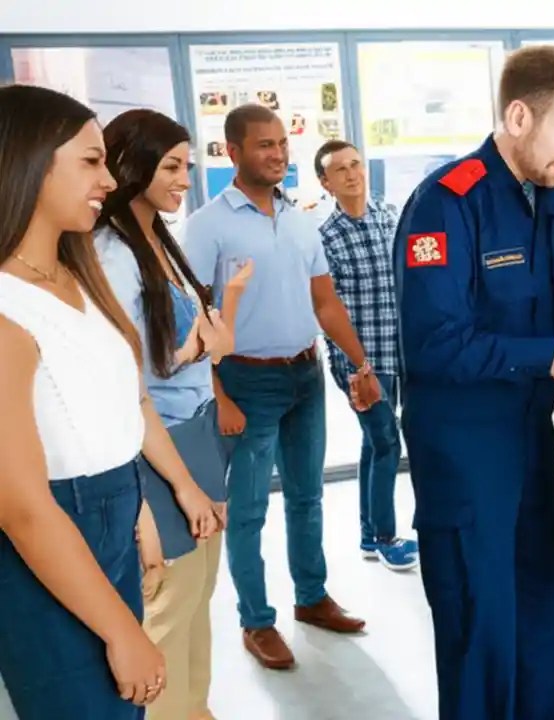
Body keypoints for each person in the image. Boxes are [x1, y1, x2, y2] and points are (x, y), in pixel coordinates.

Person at [393, 45, 554, 720]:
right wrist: (552, 357)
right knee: (482, 626)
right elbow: (434, 343)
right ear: (517, 117)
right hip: (464, 451)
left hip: (532, 441)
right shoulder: (447, 205)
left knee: (539, 614)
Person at [0, 84, 216, 719]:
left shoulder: (77, 273)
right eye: (90, 162)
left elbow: (125, 404)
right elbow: (22, 506)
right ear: (29, 162)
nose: (108, 179)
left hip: (110, 514)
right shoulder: (9, 308)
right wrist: (123, 632)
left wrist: (140, 510)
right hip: (53, 535)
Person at [182, 103, 377, 671]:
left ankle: (311, 597)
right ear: (233, 152)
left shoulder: (300, 219)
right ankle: (256, 620)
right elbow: (195, 314)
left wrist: (360, 364)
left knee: (307, 496)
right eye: (263, 145)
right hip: (244, 380)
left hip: (305, 373)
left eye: (282, 145)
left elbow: (325, 301)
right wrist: (217, 394)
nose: (276, 154)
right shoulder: (208, 224)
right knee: (246, 511)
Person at [94, 108, 250, 720]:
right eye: (172, 166)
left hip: (197, 437)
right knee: (169, 605)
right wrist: (194, 348)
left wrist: (205, 342)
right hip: (155, 450)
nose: (185, 178)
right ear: (131, 165)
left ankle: (195, 709)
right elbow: (119, 378)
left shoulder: (156, 237)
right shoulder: (110, 253)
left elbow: (165, 353)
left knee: (200, 595)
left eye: (187, 165)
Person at [314, 139, 417, 572]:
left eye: (356, 164)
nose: (353, 174)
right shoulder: (325, 238)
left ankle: (367, 534)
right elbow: (326, 307)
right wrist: (357, 367)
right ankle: (386, 536)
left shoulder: (389, 218)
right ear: (326, 182)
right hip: (359, 361)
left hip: (398, 352)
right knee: (386, 441)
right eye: (341, 170)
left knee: (375, 442)